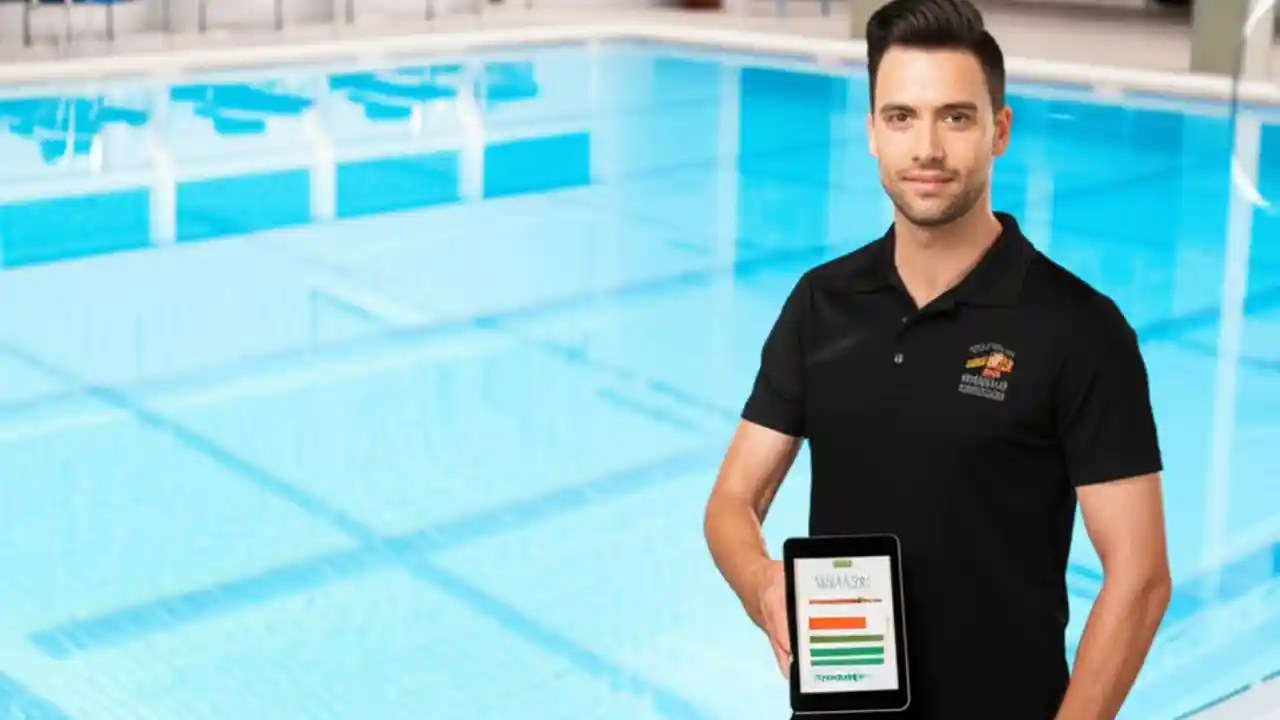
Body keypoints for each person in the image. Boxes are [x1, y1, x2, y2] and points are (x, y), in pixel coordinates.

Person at [702, 0, 1173, 718]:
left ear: (999, 131)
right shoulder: (820, 303)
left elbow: (1139, 578)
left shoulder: (1080, 329)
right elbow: (734, 501)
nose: (926, 147)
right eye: (901, 117)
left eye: (955, 117)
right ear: (871, 133)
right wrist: (761, 582)